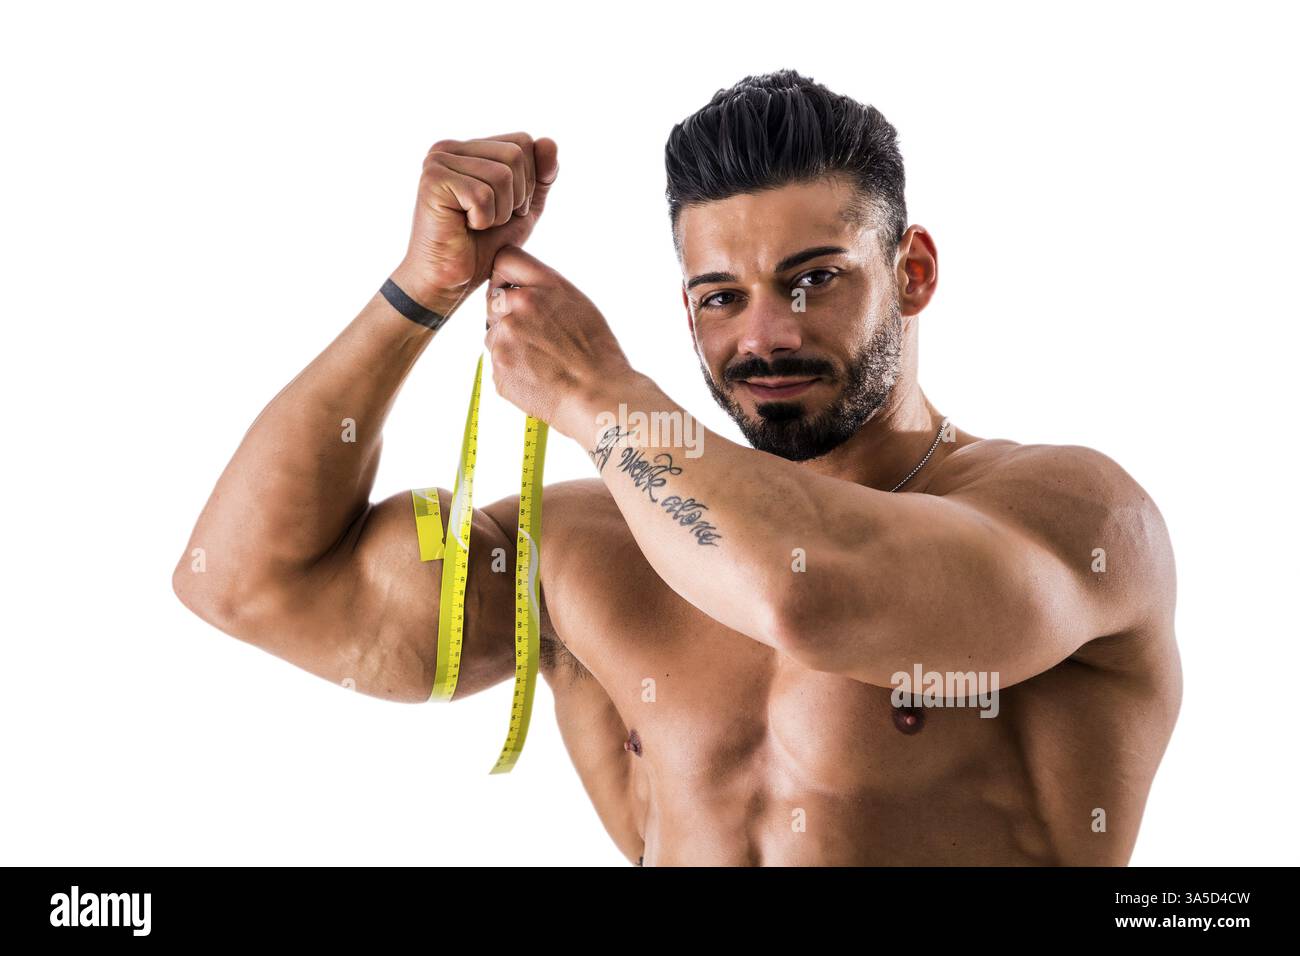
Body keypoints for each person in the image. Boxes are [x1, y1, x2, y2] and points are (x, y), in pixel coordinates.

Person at [173, 69, 1181, 866]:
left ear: (910, 271)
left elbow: (809, 594)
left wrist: (604, 398)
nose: (765, 335)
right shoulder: (586, 545)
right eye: (717, 296)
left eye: (813, 278)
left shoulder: (1074, 516)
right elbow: (246, 583)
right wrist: (419, 290)